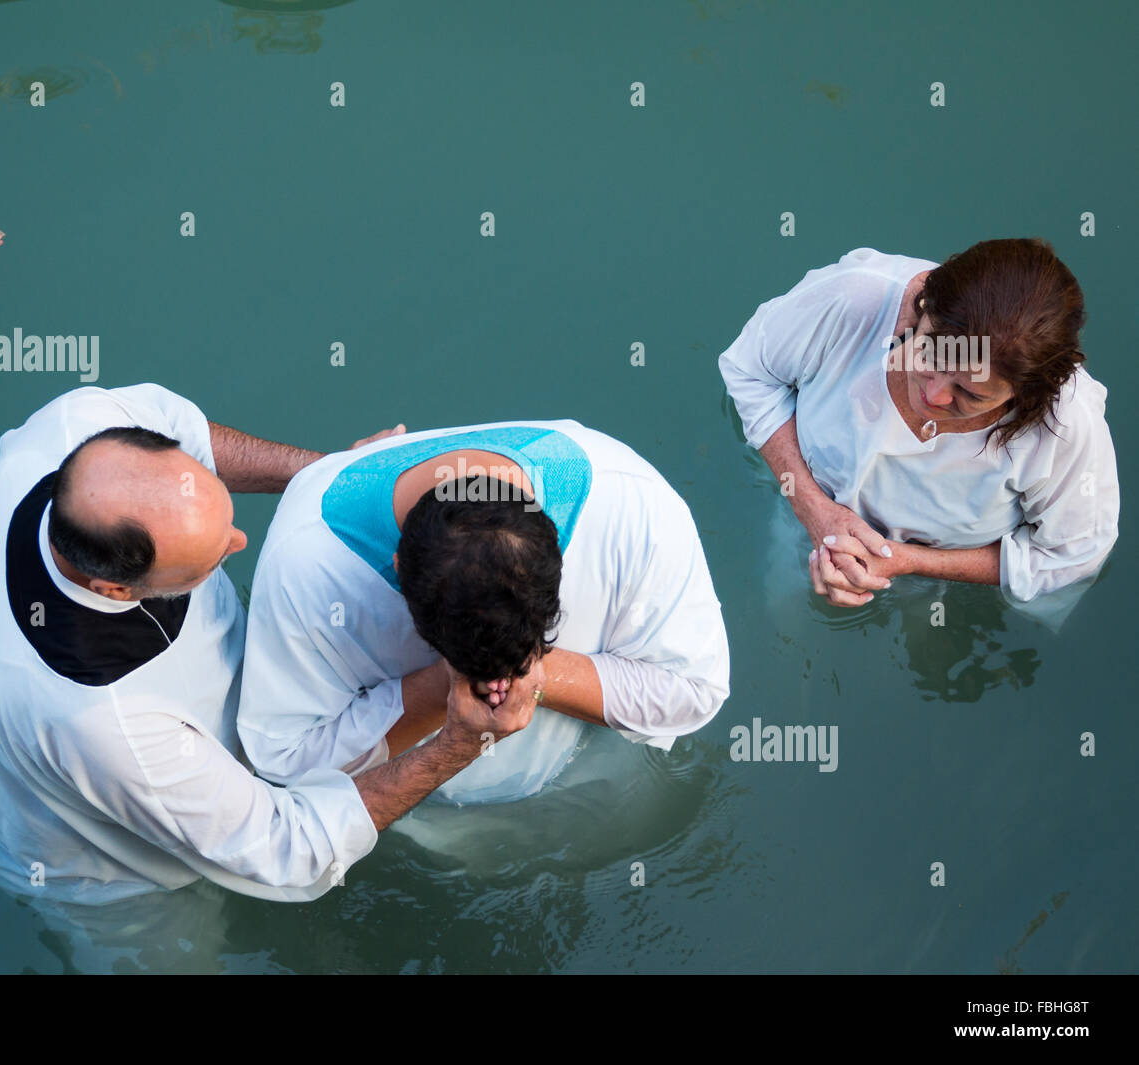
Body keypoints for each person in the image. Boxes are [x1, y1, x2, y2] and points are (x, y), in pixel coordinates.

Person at [0, 383, 542, 905]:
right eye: (209, 558)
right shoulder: (107, 722)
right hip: (101, 871)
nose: (239, 539)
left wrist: (327, 480)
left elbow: (193, 436)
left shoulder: (76, 423)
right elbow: (289, 849)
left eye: (221, 513)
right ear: (116, 589)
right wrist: (461, 743)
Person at [237, 420, 730, 805]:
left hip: (584, 777)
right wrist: (444, 692)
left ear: (557, 550)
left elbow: (694, 691)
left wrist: (537, 676)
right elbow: (284, 760)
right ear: (396, 571)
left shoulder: (635, 507)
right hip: (417, 810)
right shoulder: (303, 569)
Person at [718, 241, 1119, 611]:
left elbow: (1074, 555)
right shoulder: (855, 299)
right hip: (803, 521)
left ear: (1023, 397)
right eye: (930, 352)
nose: (935, 394)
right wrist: (813, 509)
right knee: (784, 616)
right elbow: (750, 371)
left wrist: (909, 562)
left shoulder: (1066, 424)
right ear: (924, 304)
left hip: (954, 582)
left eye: (970, 394)